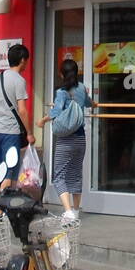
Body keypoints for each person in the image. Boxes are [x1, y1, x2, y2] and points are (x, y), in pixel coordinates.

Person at [38, 59, 91, 225]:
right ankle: (75, 210)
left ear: (61, 74)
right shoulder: (82, 88)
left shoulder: (61, 92)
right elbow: (89, 103)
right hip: (80, 139)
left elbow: (56, 111)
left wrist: (43, 120)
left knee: (59, 176)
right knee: (75, 174)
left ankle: (68, 212)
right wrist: (94, 103)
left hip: (66, 140)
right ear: (76, 73)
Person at [0, 43, 33, 189]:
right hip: (11, 131)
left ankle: (5, 205)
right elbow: (22, 111)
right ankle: (1, 208)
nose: (27, 64)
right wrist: (29, 133)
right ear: (23, 60)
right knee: (10, 171)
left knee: (2, 169)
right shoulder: (19, 80)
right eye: (27, 60)